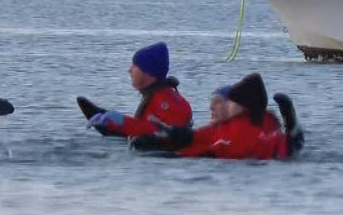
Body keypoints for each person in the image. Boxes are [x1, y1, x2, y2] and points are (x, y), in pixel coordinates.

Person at [154, 73, 301, 160]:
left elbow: (225, 147)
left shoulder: (245, 128)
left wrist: (178, 154)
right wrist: (169, 135)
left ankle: (291, 125)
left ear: (242, 105)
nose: (211, 108)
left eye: (230, 102)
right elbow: (202, 136)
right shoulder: (227, 127)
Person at [88, 41, 193, 140]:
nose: (130, 70)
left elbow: (165, 135)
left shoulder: (165, 102)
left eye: (135, 65)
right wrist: (112, 123)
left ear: (148, 72)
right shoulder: (158, 95)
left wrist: (122, 121)